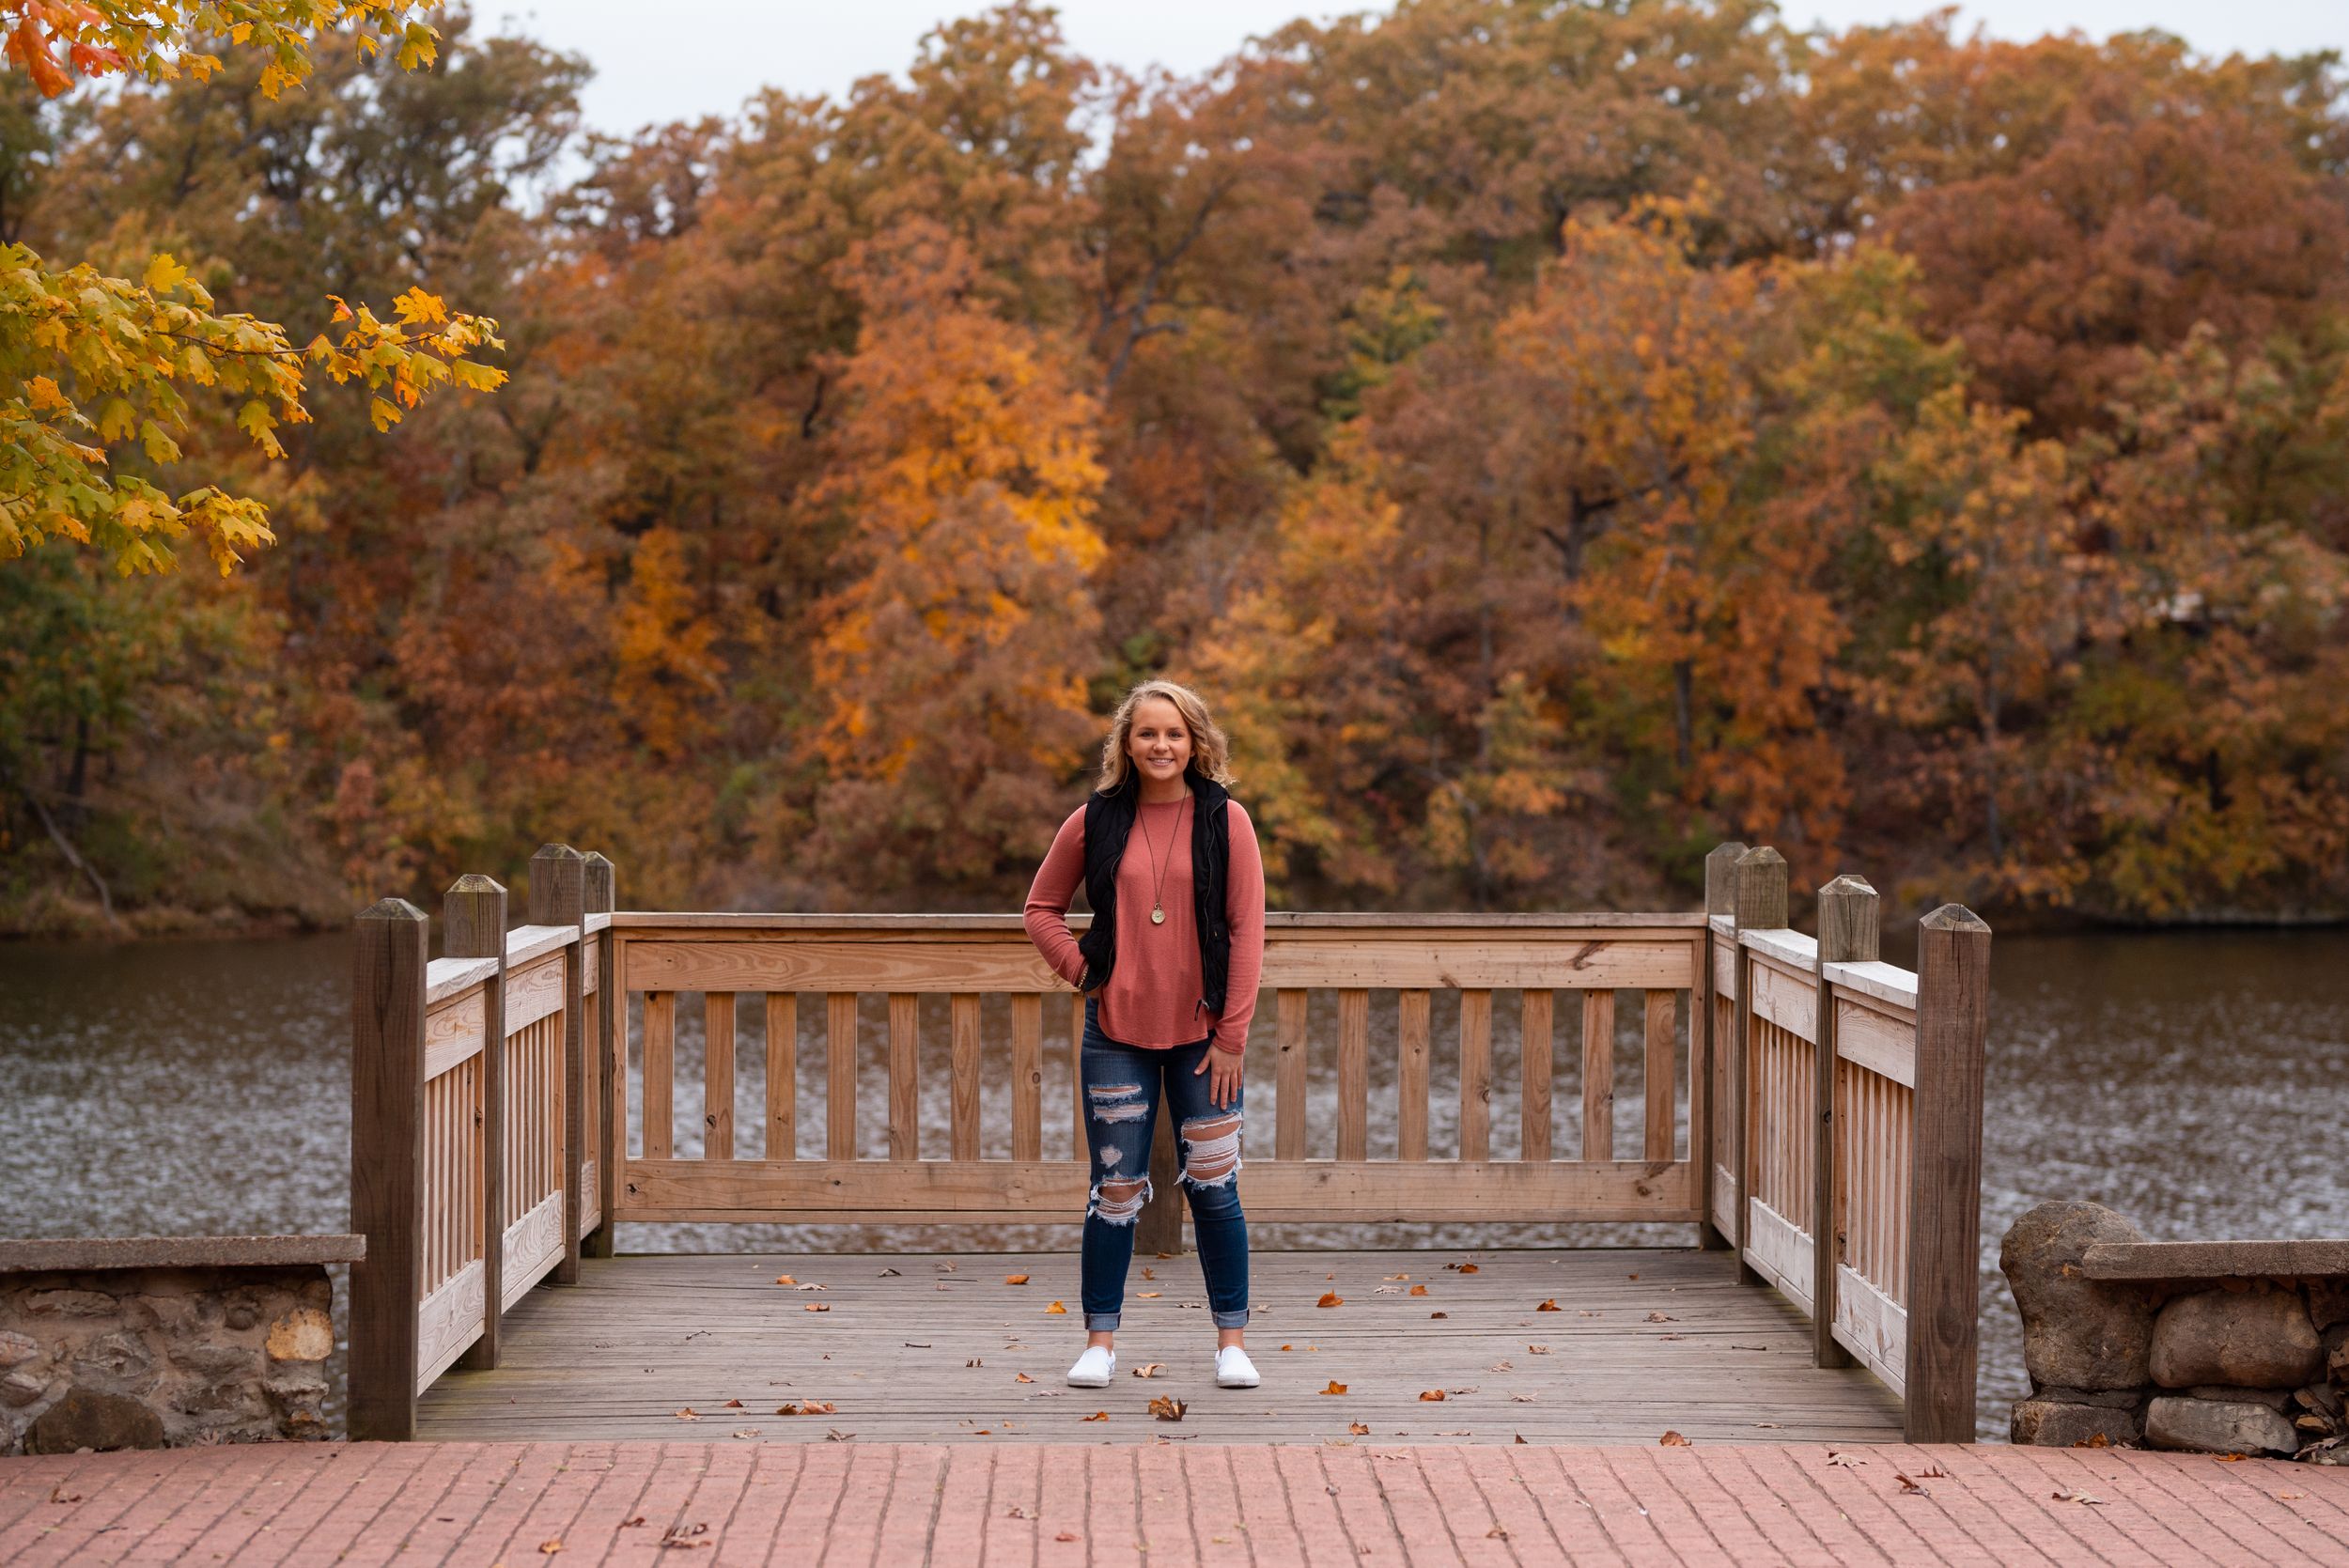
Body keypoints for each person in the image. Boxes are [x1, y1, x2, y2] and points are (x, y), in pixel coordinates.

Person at [1022, 679, 1268, 1390]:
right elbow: (1040, 907)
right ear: (1126, 744)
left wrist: (1233, 1034)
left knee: (1215, 1188)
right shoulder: (1095, 820)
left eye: (1176, 733)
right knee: (1116, 1187)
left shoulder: (1228, 821)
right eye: (1147, 733)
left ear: (1196, 743)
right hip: (1116, 1033)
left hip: (1205, 1038)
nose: (1162, 745)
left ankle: (1232, 1344)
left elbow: (1249, 931)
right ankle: (1099, 1342)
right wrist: (1082, 971)